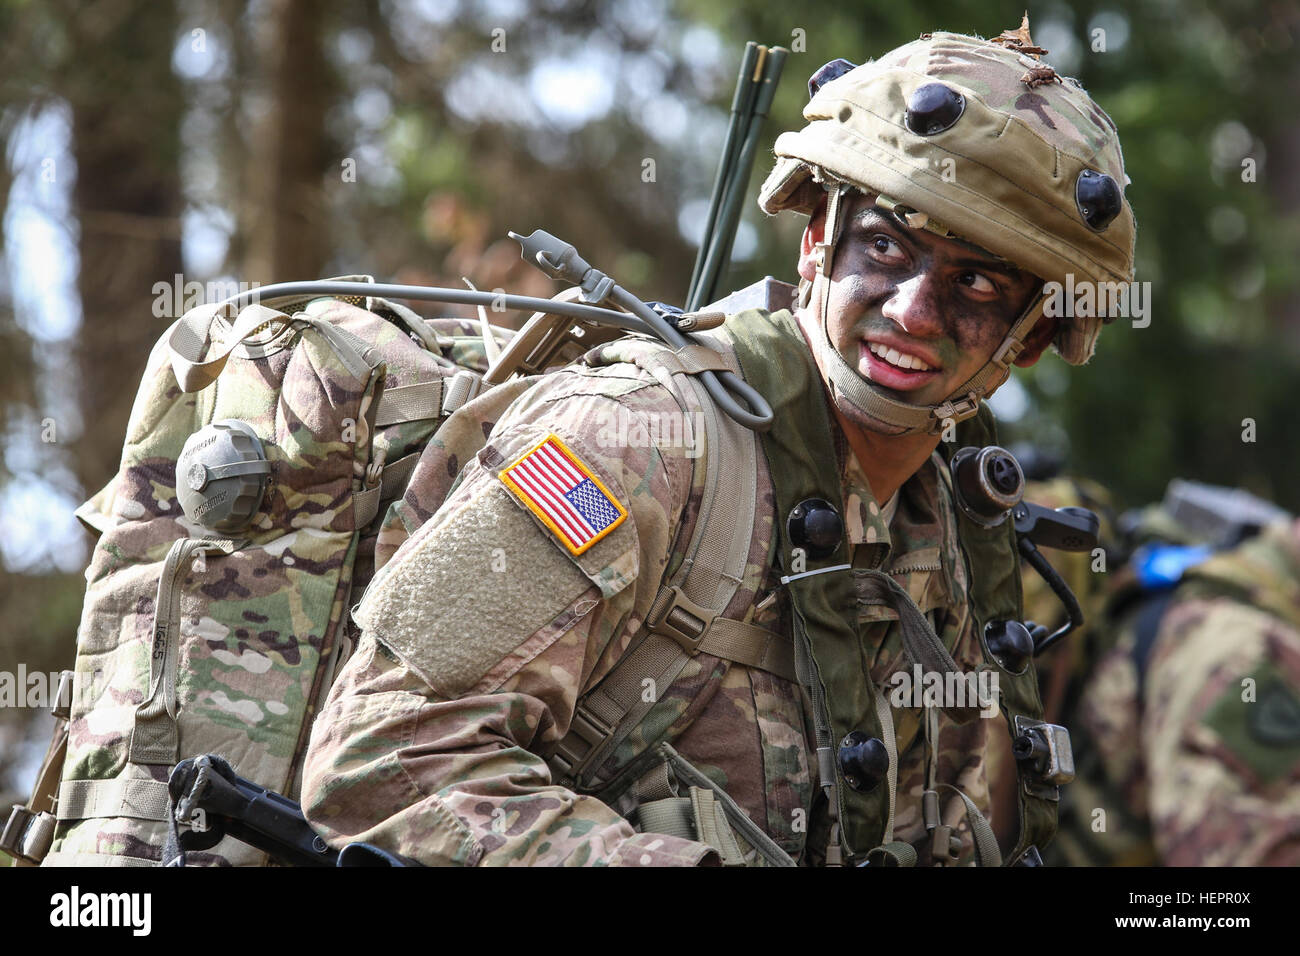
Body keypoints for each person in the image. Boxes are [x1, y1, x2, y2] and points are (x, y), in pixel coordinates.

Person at [300, 19, 1137, 866]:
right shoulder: (635, 441)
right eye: (885, 246)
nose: (913, 311)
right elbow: (384, 758)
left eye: (978, 283)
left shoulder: (954, 521)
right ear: (818, 242)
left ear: (1028, 338)